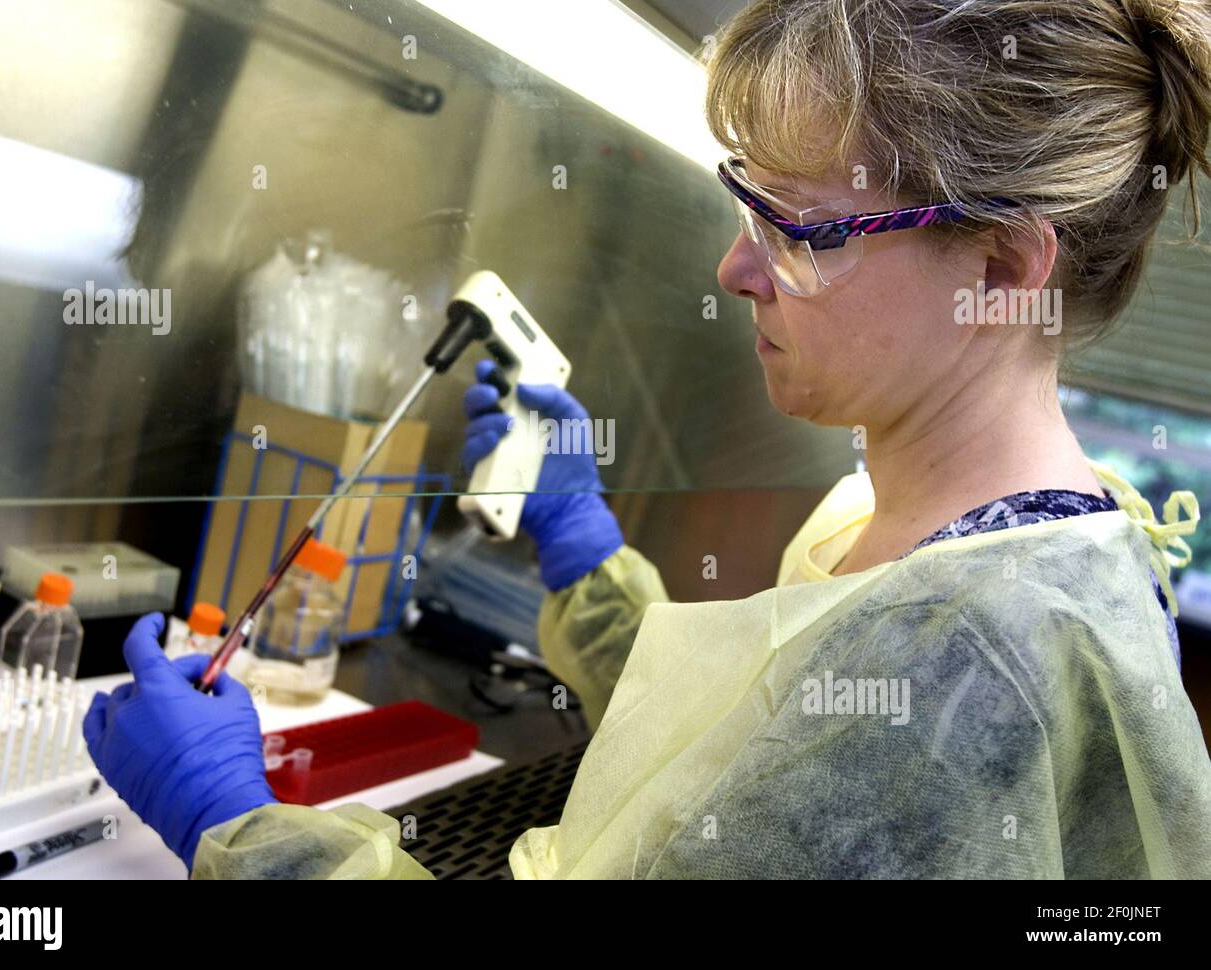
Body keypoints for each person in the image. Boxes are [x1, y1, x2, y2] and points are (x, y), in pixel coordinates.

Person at [86, 0, 1211, 878]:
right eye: (744, 204)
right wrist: (584, 554)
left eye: (800, 230)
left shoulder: (965, 658)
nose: (734, 271)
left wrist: (233, 826)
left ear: (1005, 270)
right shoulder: (973, 529)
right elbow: (760, 769)